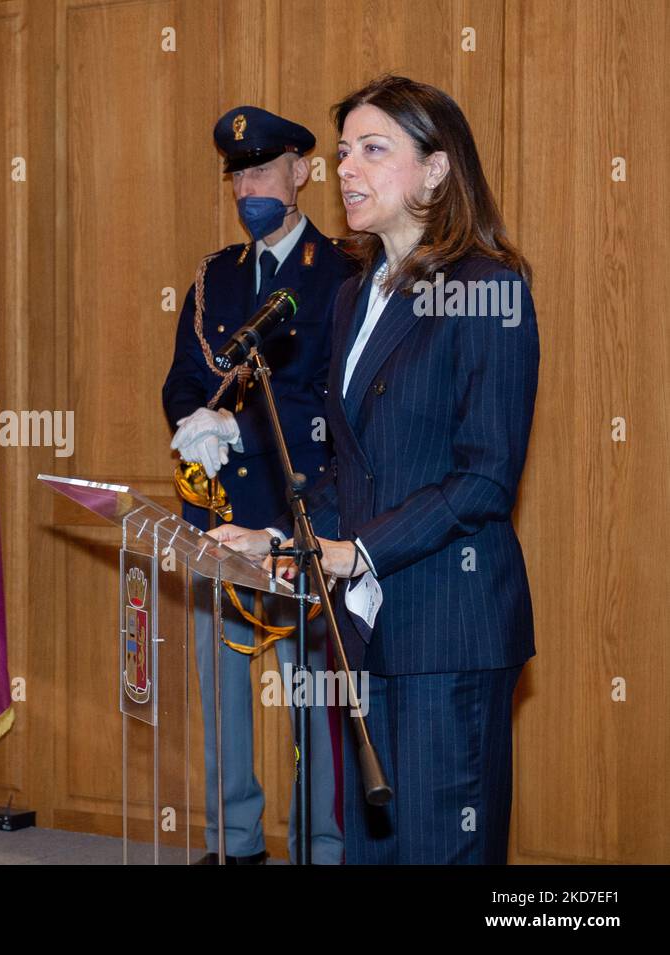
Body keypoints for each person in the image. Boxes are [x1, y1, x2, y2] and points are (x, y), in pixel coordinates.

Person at [209, 75, 539, 864]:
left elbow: (485, 479)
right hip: (363, 629)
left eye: (374, 149)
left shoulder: (491, 290)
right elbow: (350, 472)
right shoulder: (356, 298)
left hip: (448, 629)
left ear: (435, 170)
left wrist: (357, 552)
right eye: (346, 151)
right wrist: (277, 537)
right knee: (370, 851)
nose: (347, 168)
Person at [163, 106, 354, 864]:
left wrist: (235, 425)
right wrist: (194, 421)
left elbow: (332, 400)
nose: (249, 185)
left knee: (312, 701)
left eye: (264, 169)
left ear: (303, 172)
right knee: (225, 699)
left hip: (300, 522)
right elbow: (182, 379)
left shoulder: (341, 275)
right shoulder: (217, 276)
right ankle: (233, 842)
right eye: (238, 173)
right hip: (217, 516)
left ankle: (323, 847)